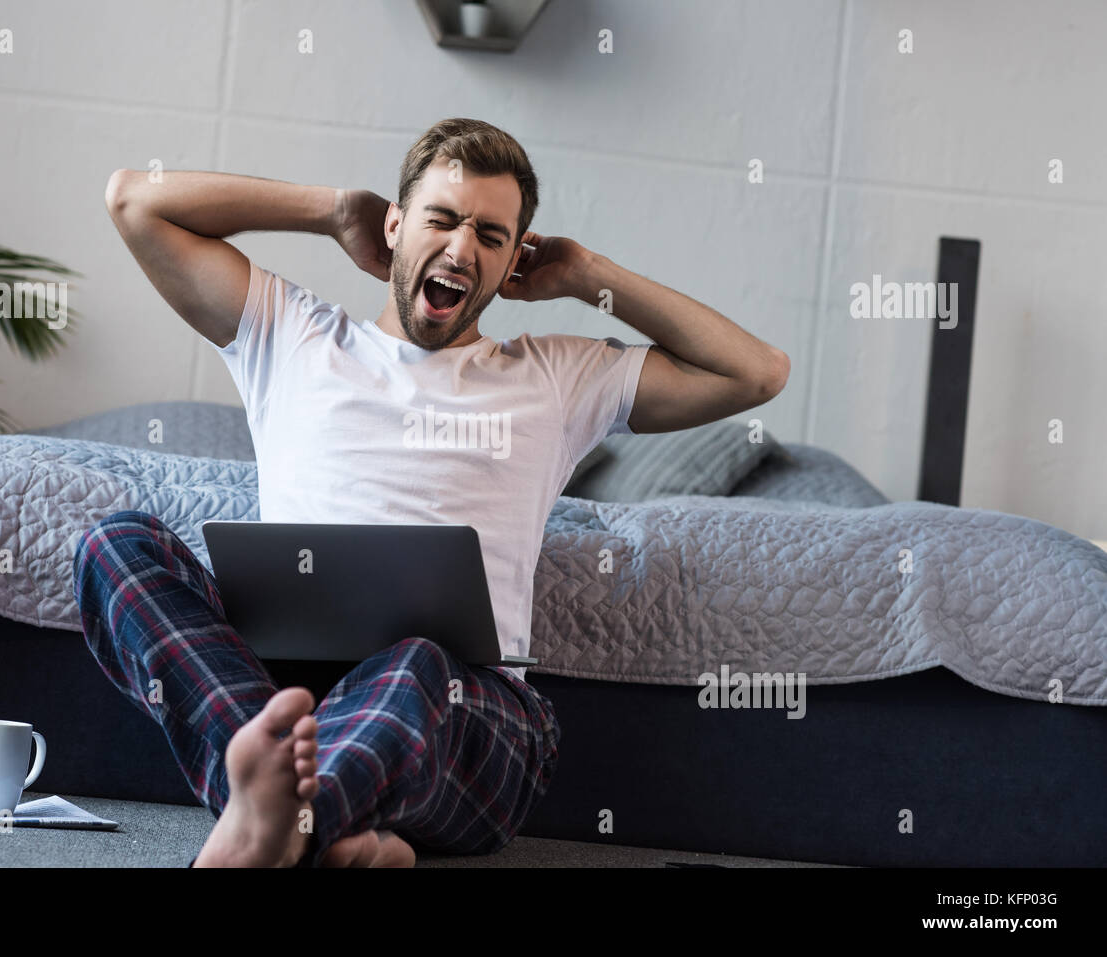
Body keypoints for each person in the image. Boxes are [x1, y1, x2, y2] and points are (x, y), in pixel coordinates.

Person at [75, 117, 789, 867]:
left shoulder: (557, 376)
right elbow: (133, 201)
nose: (460, 248)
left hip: (470, 716)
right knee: (116, 544)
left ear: (516, 258)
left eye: (490, 235)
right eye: (441, 219)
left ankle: (278, 817)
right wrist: (329, 208)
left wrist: (585, 272)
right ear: (395, 225)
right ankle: (328, 828)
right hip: (292, 697)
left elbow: (755, 372)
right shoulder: (290, 333)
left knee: (415, 661)